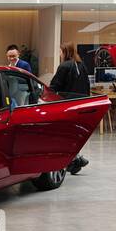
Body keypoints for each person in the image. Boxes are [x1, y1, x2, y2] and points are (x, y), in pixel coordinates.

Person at [49, 44, 91, 173]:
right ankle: (75, 159)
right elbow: (87, 85)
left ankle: (74, 159)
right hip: (81, 105)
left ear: (65, 52)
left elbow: (55, 85)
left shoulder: (64, 66)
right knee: (74, 134)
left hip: (67, 105)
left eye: (61, 52)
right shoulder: (81, 65)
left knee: (63, 134)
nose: (60, 54)